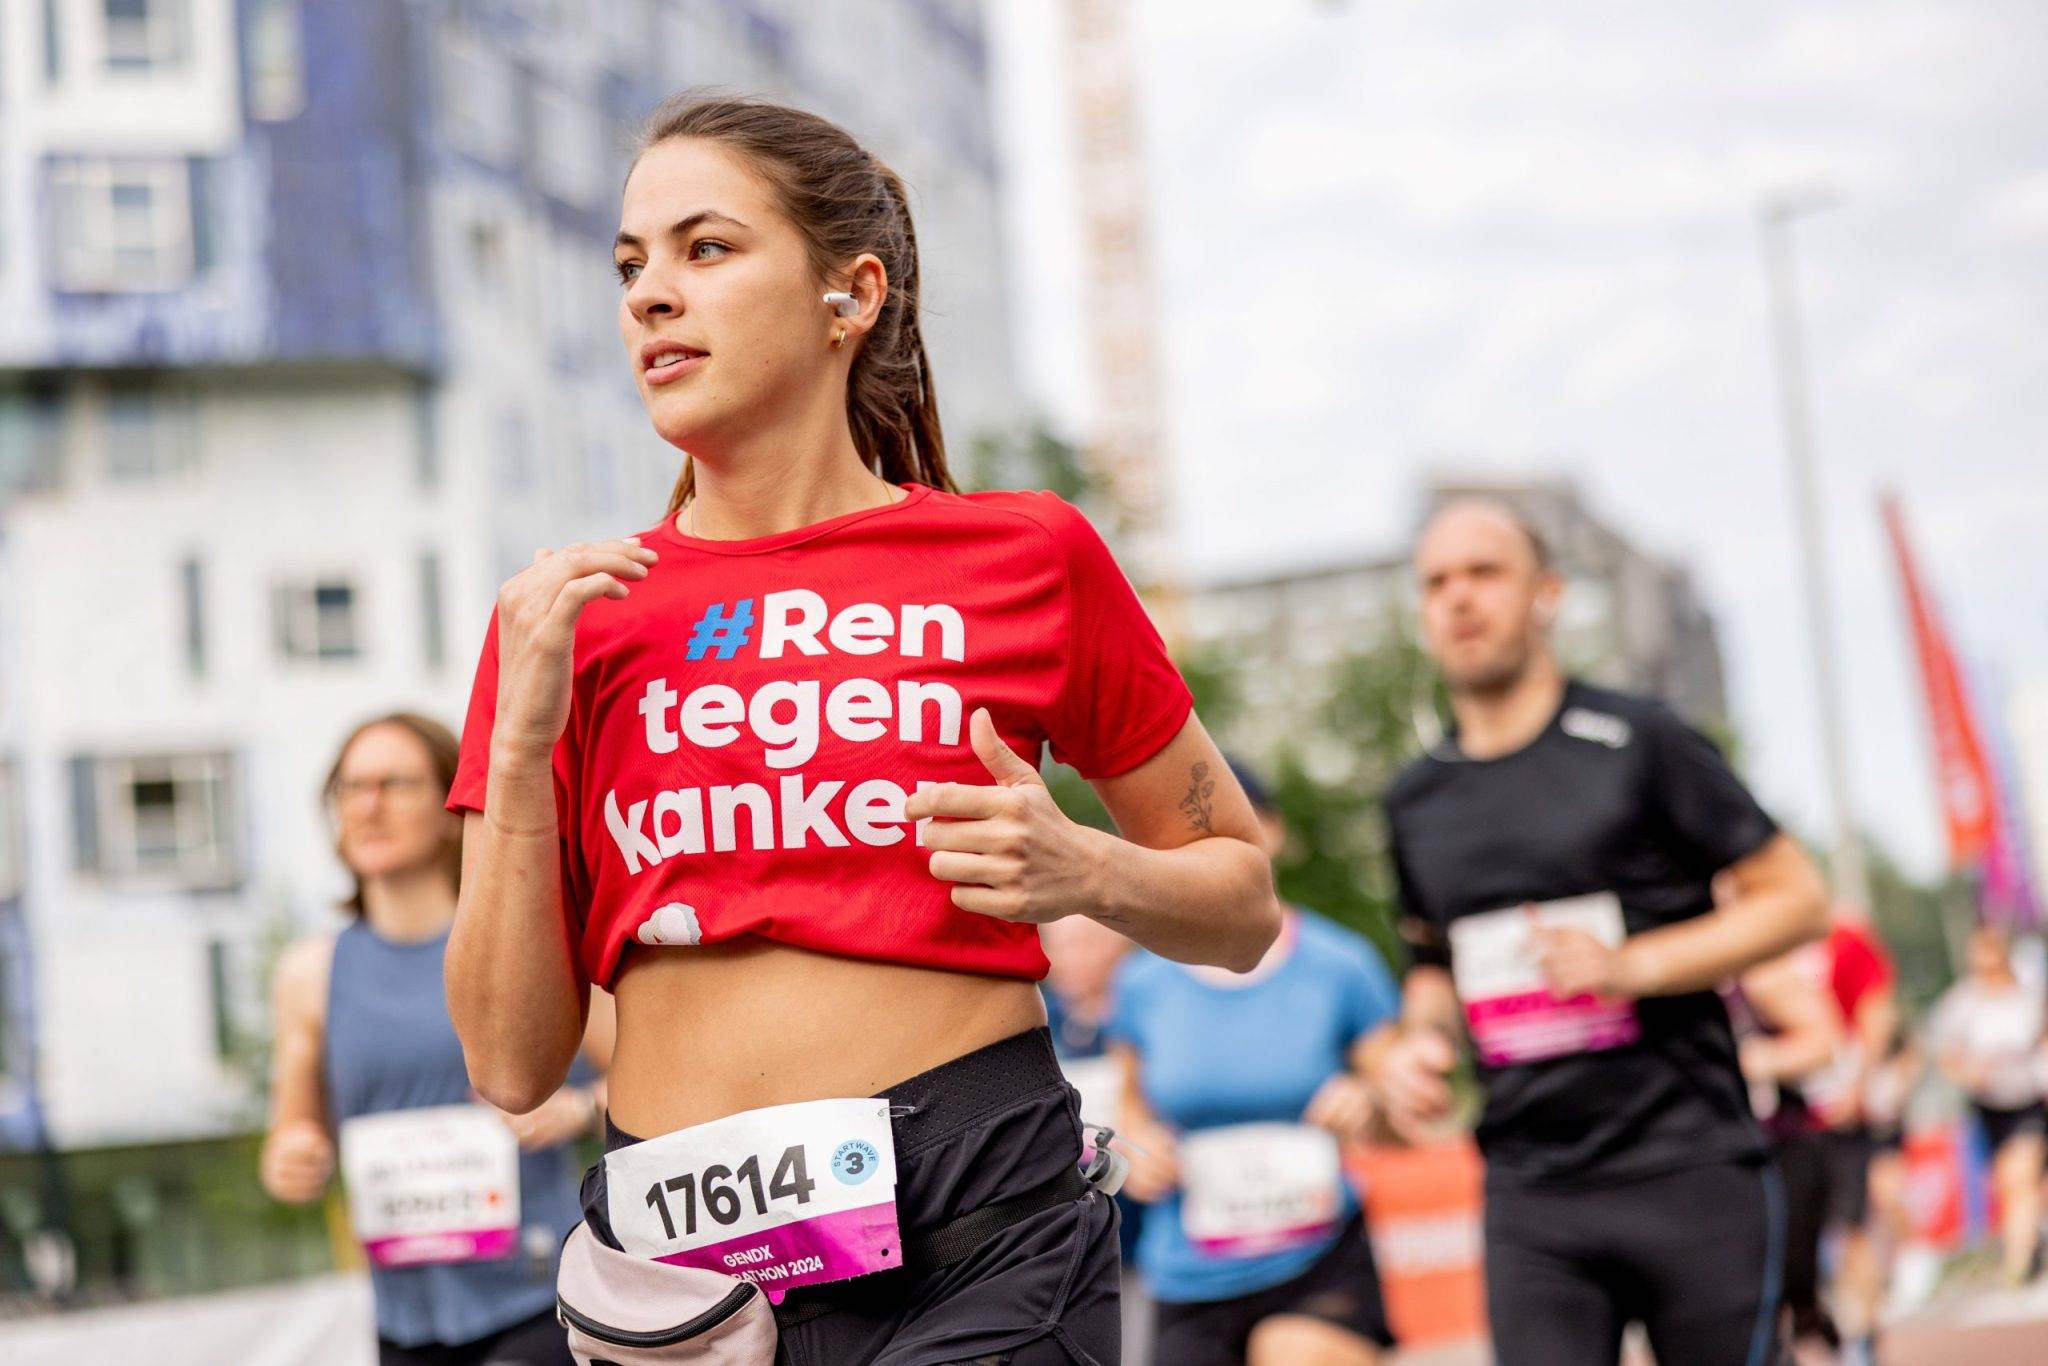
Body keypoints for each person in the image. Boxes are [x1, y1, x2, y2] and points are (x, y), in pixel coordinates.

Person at [443, 94, 1280, 1365]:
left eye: (704, 248)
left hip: (975, 1226)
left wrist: (1085, 870)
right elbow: (510, 1063)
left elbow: (1241, 902)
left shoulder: (1024, 555)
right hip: (672, 1290)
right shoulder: (569, 619)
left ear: (852, 294)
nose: (649, 295)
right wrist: (518, 751)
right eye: (630, 265)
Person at [1362, 500, 1829, 1366]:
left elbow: (1797, 899)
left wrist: (1634, 965)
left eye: (1485, 572)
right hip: (1533, 1191)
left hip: (1690, 1166)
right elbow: (1432, 965)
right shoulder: (1415, 799)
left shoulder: (1639, 740)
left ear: (1547, 594)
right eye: (1436, 581)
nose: (1459, 597)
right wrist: (1418, 1047)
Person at [259, 714, 610, 1366]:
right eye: (350, 787)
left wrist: (578, 1109)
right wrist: (296, 1155)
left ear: (454, 804)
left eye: (394, 784)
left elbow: (654, 1081)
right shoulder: (309, 973)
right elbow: (292, 1136)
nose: (368, 805)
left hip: (540, 1298)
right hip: (405, 1321)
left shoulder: (525, 948)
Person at [1110, 761, 1400, 1366]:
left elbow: (1404, 1113)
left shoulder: (1341, 965)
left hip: (1318, 1260)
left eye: (1231, 829)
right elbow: (1130, 1108)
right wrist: (1135, 1150)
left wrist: (1369, 1102)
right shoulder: (1140, 984)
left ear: (1273, 833)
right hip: (1189, 1267)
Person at [1726, 946, 1845, 1354]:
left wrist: (1757, 1060)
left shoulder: (1757, 973)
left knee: (1788, 1284)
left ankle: (1819, 1324)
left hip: (1781, 1152)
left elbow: (1826, 1039)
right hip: (1711, 1162)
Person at [1929, 924, 2047, 1285]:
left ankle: (2016, 1269)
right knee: (2008, 1185)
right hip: (1988, 1107)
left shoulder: (2028, 998)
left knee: (2020, 1175)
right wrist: (1969, 1074)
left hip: (2027, 1101)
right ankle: (2030, 1240)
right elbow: (1947, 1058)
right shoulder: (1960, 1004)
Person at [1820, 915, 1903, 1364]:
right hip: (1777, 1123)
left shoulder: (1843, 938)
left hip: (1844, 1112)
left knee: (1855, 1226)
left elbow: (1878, 1008)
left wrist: (1859, 1081)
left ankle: (1863, 1333)